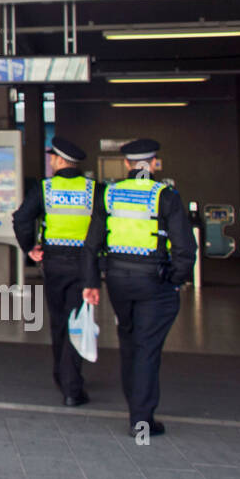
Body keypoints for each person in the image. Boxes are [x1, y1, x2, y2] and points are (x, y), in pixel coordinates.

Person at [85, 138, 195, 436]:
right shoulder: (166, 196)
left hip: (118, 281)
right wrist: (175, 280)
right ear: (154, 162)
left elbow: (91, 243)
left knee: (129, 342)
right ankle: (142, 419)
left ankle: (136, 407)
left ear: (127, 164)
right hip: (154, 282)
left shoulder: (109, 194)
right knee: (146, 348)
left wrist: (91, 283)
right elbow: (185, 248)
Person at [12, 136, 97, 407]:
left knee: (60, 320)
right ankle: (72, 387)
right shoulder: (95, 190)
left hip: (54, 263)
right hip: (84, 263)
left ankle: (63, 376)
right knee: (78, 319)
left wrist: (29, 248)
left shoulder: (44, 189)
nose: (50, 161)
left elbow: (22, 218)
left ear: (60, 161)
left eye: (52, 158)